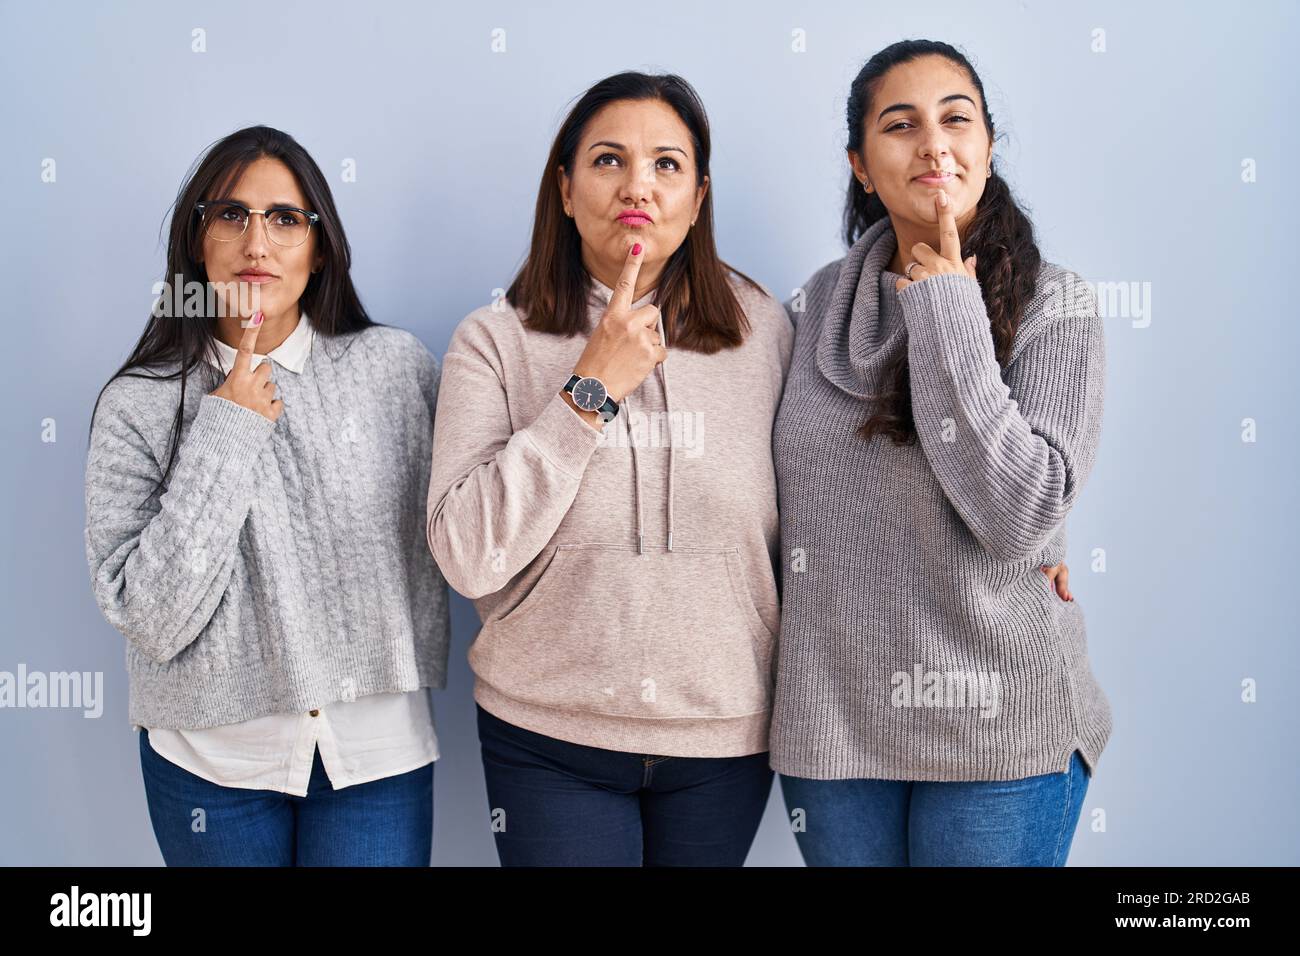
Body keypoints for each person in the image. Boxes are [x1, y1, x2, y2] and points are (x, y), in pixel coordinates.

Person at [85, 125, 450, 866]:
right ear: (197, 242)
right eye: (231, 215)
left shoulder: (395, 370)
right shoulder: (138, 404)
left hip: (374, 756)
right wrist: (228, 425)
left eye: (286, 218)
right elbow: (149, 616)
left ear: (320, 249)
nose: (258, 242)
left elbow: (467, 529)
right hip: (210, 765)